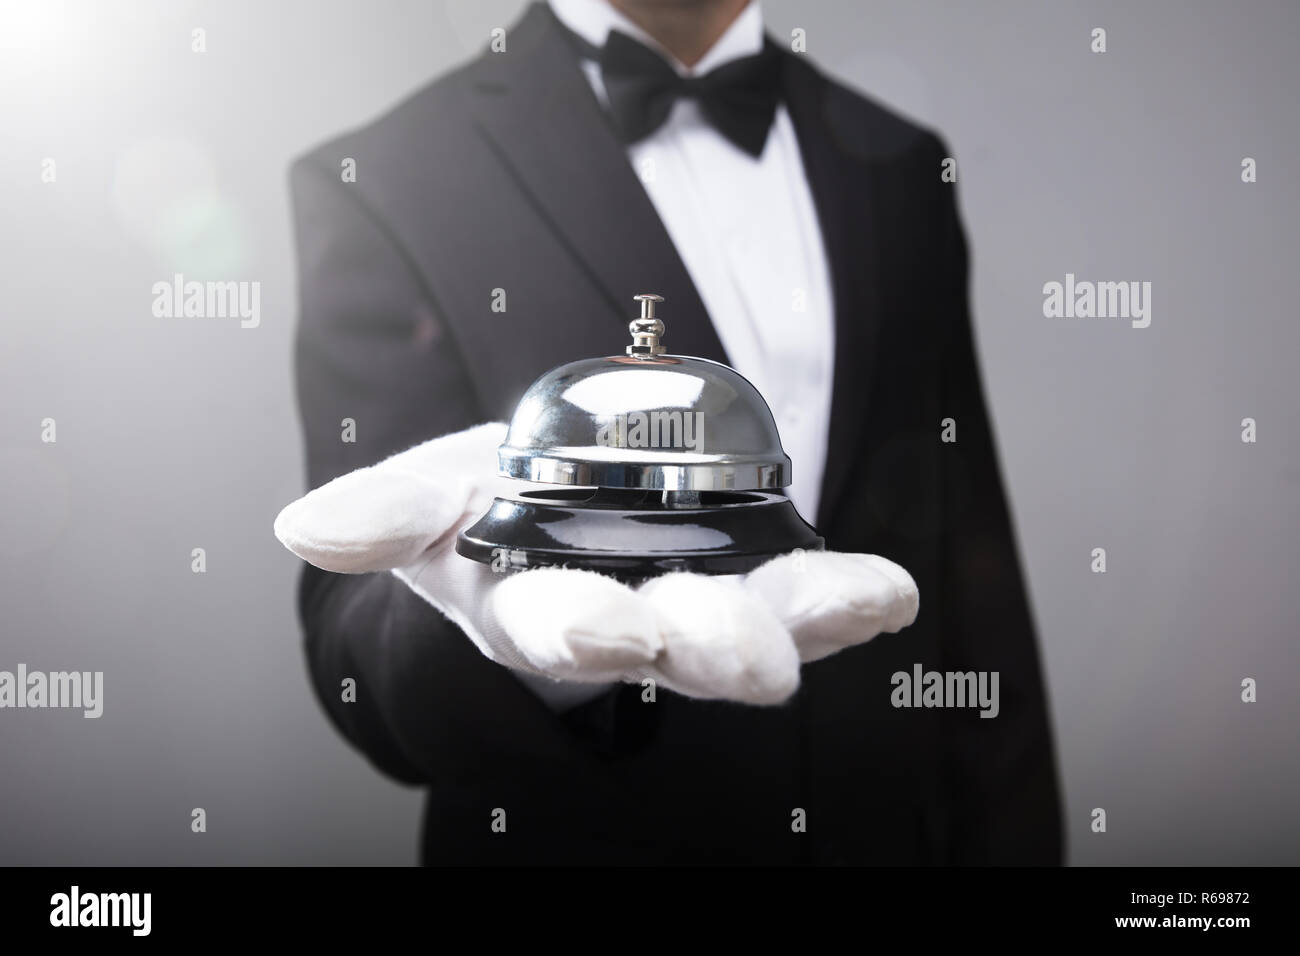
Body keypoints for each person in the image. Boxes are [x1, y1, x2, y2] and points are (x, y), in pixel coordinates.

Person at [280, 0, 1062, 864]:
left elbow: (969, 562)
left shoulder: (900, 166)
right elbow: (356, 640)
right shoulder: (385, 176)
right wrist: (487, 628)